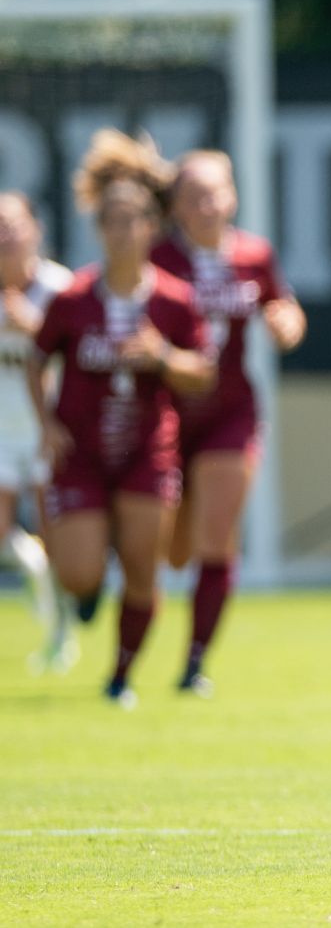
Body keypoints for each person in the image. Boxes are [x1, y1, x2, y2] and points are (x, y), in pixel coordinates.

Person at [28, 129, 215, 707]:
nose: (123, 231)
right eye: (112, 221)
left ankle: (120, 677)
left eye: (134, 220)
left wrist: (162, 357)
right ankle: (82, 591)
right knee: (80, 573)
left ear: (152, 228)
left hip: (146, 451)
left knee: (142, 568)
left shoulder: (175, 301)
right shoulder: (74, 297)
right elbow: (37, 357)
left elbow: (202, 372)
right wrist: (47, 423)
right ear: (99, 229)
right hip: (82, 452)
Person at [150, 149, 306, 696]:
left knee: (218, 534)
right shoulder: (157, 258)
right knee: (171, 549)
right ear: (175, 206)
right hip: (164, 415)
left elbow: (281, 304)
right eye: (194, 196)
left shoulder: (253, 254)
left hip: (230, 411)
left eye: (216, 193)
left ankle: (195, 662)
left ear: (234, 196)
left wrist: (286, 321)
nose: (207, 205)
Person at [0, 191, 75, 672]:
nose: (5, 234)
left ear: (35, 230)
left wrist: (37, 330)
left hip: (49, 429)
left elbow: (84, 357)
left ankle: (61, 633)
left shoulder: (60, 290)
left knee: (61, 537)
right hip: (1, 431)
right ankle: (36, 576)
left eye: (13, 223)